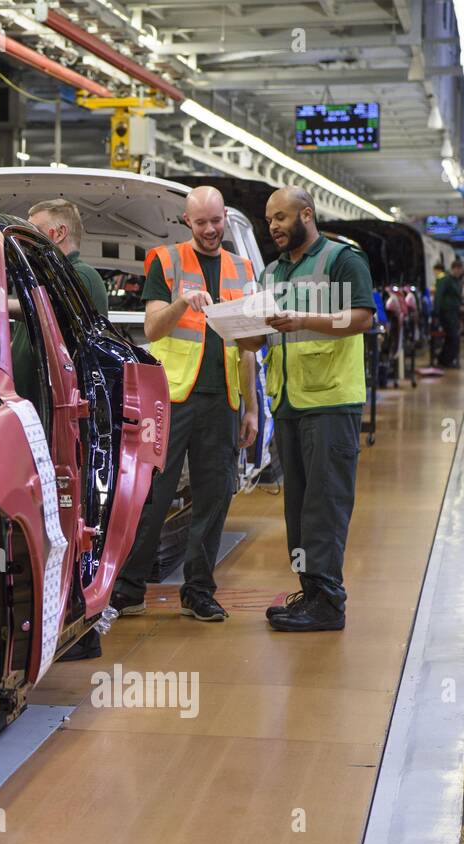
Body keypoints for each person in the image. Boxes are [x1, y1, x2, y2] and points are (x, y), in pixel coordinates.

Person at [90, 185, 259, 653]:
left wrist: (250, 407)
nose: (209, 230)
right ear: (187, 222)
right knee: (152, 494)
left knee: (215, 495)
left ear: (224, 218)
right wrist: (184, 302)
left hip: (222, 399)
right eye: (201, 222)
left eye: (216, 220)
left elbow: (247, 345)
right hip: (172, 399)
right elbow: (151, 328)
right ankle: (128, 590)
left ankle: (199, 592)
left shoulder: (243, 269)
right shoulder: (165, 261)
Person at [237, 186, 374, 632]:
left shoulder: (340, 260)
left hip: (331, 400)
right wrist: (241, 331)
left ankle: (329, 600)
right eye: (269, 218)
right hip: (290, 401)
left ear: (306, 215)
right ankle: (310, 591)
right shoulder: (272, 273)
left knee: (325, 504)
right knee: (297, 507)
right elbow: (261, 335)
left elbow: (361, 318)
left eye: (280, 217)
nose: (273, 225)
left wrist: (304, 320)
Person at [28, 198, 110, 317]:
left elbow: (46, 307)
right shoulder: (38, 276)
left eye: (34, 231)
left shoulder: (82, 274)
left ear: (59, 233)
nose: (25, 237)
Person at [434, 260, 464, 369]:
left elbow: (457, 297)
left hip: (454, 313)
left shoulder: (457, 281)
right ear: (453, 269)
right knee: (453, 337)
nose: (459, 272)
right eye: (458, 269)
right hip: (446, 313)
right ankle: (446, 360)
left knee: (451, 337)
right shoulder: (445, 280)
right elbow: (438, 296)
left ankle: (444, 360)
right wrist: (436, 314)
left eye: (460, 270)